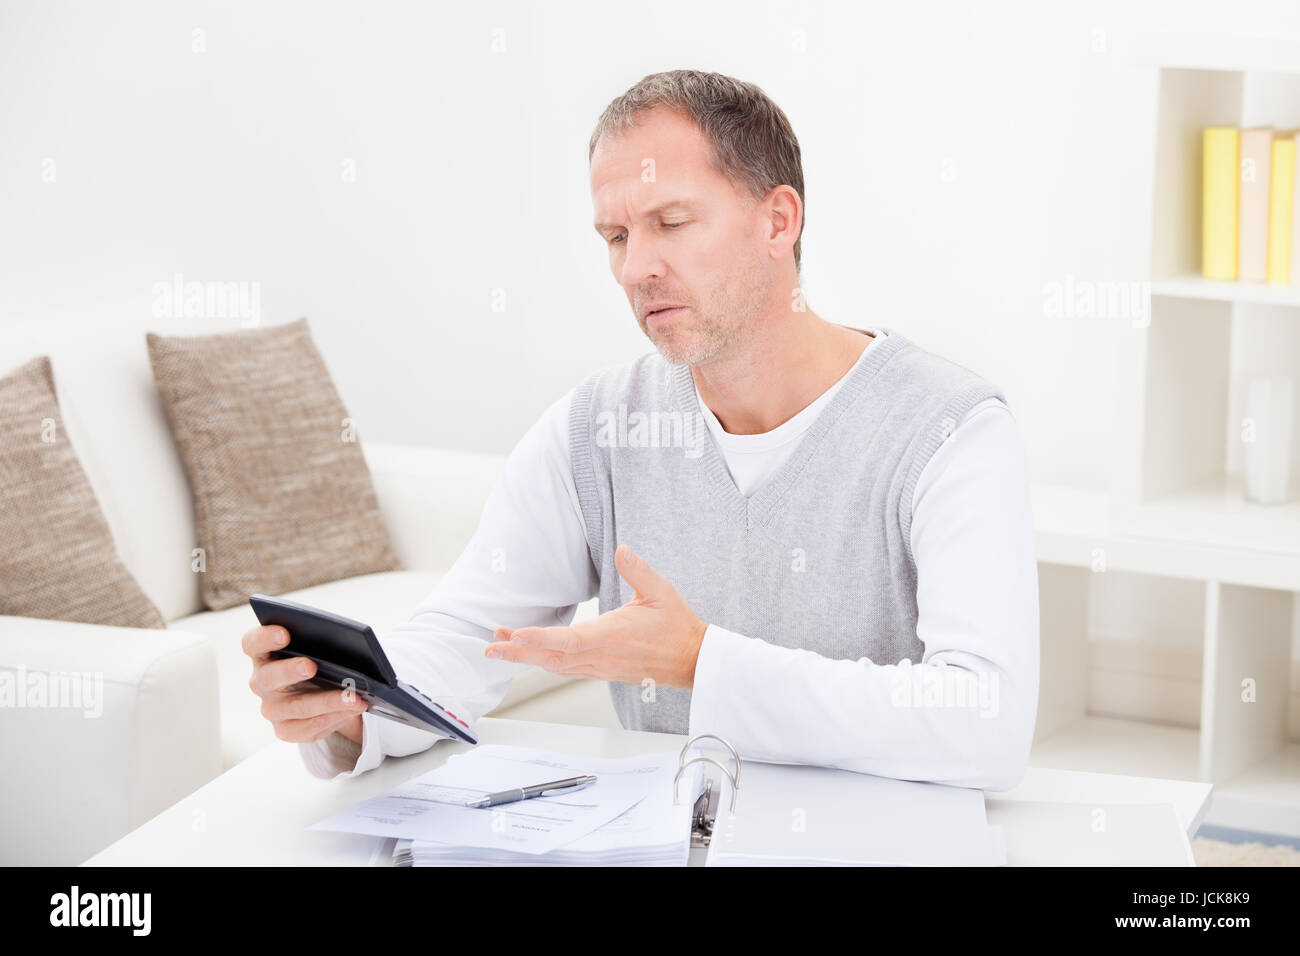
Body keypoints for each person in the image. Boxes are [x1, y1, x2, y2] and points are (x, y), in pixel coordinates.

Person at [243, 69, 1039, 789]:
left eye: (671, 221)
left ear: (778, 220)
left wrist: (704, 662)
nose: (634, 269)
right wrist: (353, 706)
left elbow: (984, 720)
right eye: (617, 238)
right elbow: (469, 631)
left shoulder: (947, 430)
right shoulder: (598, 428)